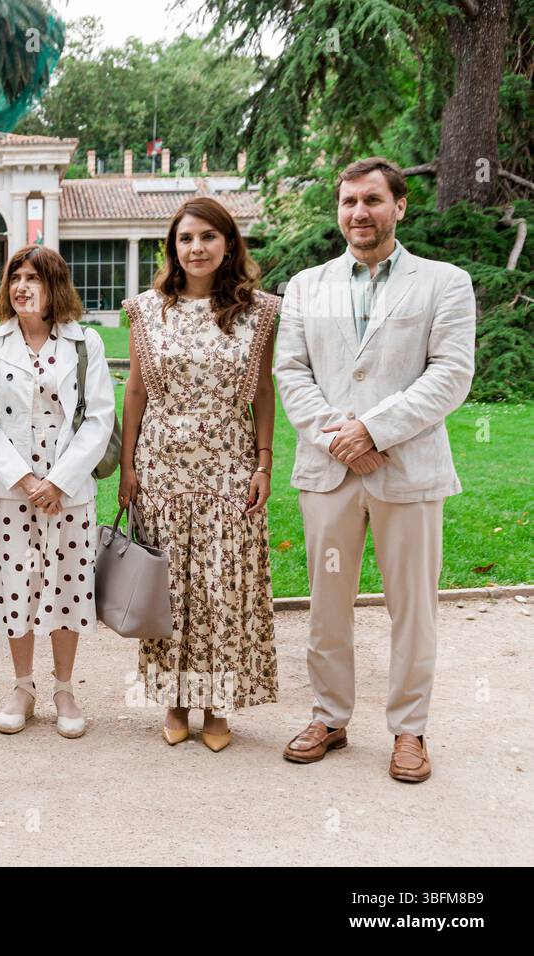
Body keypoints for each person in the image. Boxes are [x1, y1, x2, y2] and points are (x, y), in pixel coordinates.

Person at [274, 157, 475, 783]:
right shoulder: (307, 286)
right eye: (348, 202)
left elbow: (450, 374)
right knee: (326, 601)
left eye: (372, 200)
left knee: (412, 606)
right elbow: (292, 372)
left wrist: (374, 430)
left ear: (399, 207)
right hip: (330, 471)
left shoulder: (445, 282)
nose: (359, 213)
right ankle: (330, 717)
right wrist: (342, 438)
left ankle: (409, 730)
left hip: (408, 470)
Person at [119, 196, 281, 752]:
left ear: (228, 243)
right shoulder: (146, 310)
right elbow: (135, 390)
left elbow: (263, 391)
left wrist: (264, 462)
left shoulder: (259, 311)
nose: (196, 248)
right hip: (161, 465)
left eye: (208, 237)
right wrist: (126, 467)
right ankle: (174, 699)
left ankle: (217, 705)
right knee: (171, 588)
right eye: (186, 238)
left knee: (219, 589)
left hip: (229, 464)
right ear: (173, 248)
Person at [0, 245, 113, 738]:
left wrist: (58, 481)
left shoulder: (84, 344)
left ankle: (65, 688)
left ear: (56, 287)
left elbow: (99, 418)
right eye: (16, 277)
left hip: (68, 491)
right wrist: (27, 480)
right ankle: (23, 685)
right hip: (12, 491)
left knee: (67, 584)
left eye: (34, 278)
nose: (22, 287)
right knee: (18, 584)